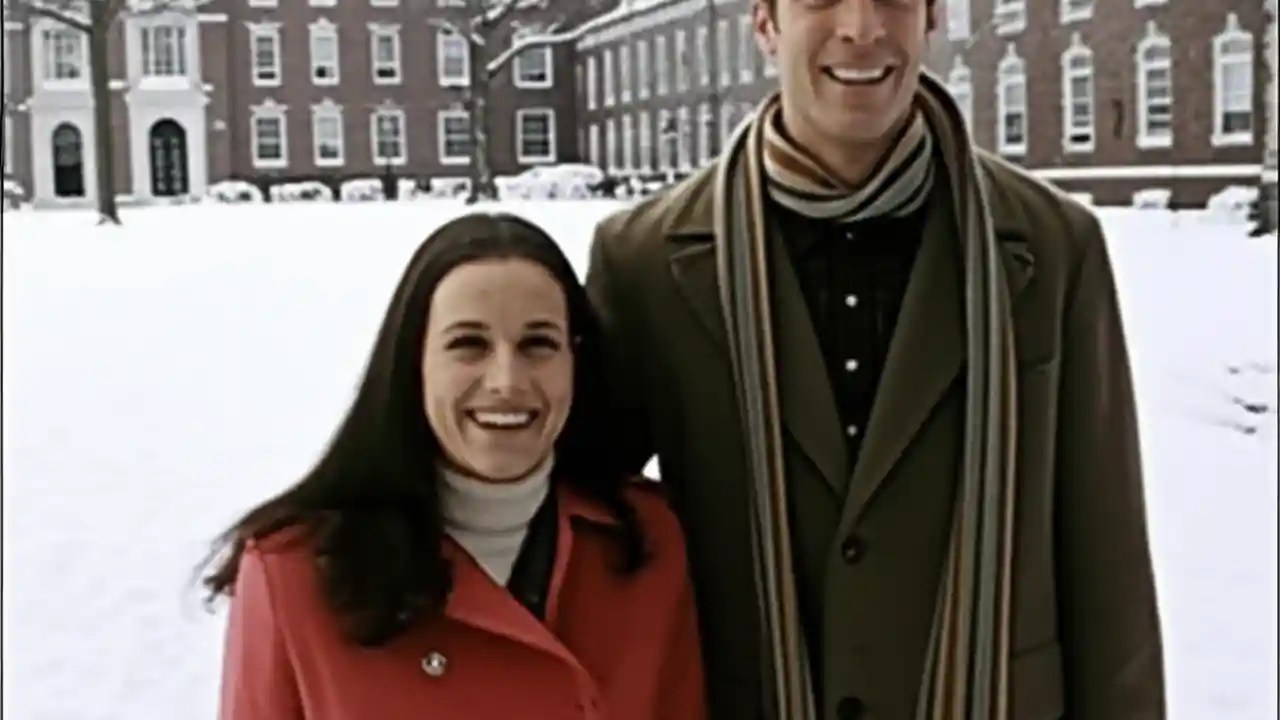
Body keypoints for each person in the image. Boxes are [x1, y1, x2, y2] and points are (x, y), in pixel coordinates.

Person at [585, 1, 1165, 718]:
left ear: (932, 19)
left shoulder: (1051, 248)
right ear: (765, 24)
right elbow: (584, 532)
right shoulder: (644, 263)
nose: (861, 27)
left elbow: (1105, 559)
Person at [205, 213, 706, 720]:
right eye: (469, 345)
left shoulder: (647, 545)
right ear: (415, 361)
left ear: (576, 361)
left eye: (539, 344)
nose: (506, 381)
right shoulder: (294, 570)